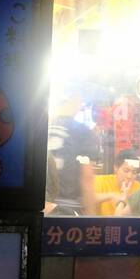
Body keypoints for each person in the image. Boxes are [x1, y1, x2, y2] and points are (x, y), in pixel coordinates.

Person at [46, 87, 97, 216]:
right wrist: (92, 219)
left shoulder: (43, 127)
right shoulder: (82, 132)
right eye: (80, 99)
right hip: (67, 210)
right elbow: (87, 179)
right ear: (75, 100)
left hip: (42, 207)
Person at [94, 150, 140, 215]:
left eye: (134, 172)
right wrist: (110, 195)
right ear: (116, 168)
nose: (129, 176)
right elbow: (86, 198)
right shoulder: (102, 181)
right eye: (126, 170)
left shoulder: (139, 188)